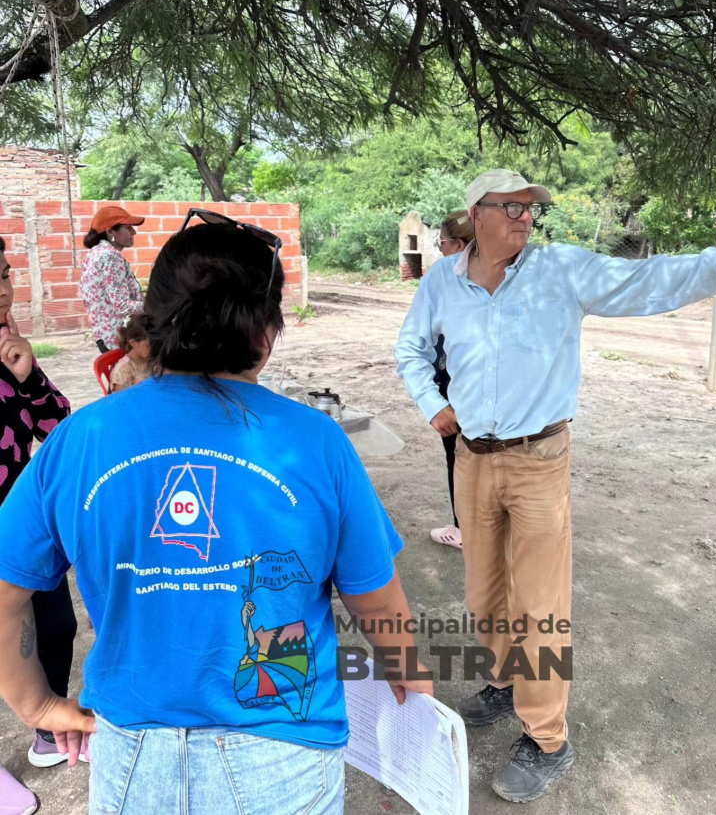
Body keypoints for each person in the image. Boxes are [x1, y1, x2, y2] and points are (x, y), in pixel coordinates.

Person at [0, 215, 431, 815]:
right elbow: (376, 600)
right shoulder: (315, 441)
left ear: (152, 323)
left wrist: (39, 706)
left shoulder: (82, 440)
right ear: (266, 332)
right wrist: (409, 673)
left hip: (131, 761)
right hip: (281, 755)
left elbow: (4, 591)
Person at [394, 168, 716, 804]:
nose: (527, 220)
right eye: (514, 209)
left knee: (540, 604)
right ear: (478, 213)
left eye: (533, 211)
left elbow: (651, 280)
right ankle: (504, 682)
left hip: (538, 460)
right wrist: (431, 403)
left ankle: (548, 739)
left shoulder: (562, 270)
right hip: (472, 458)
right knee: (484, 591)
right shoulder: (444, 281)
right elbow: (411, 349)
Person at [0, 234, 76, 815]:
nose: (5, 291)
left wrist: (28, 377)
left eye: (5, 275)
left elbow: (57, 429)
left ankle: (48, 727)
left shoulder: (10, 354)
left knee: (52, 627)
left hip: (24, 533)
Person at [430, 210, 474, 550]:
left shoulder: (447, 280)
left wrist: (435, 402)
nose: (439, 250)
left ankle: (463, 530)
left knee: (458, 457)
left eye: (441, 243)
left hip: (456, 391)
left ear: (458, 245)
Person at [80, 206, 145, 353]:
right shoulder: (111, 256)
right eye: (128, 228)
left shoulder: (94, 254)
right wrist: (153, 306)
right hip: (118, 339)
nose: (133, 232)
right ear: (110, 232)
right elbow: (122, 305)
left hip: (105, 336)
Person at [110, 314, 151, 392]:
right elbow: (122, 401)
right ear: (133, 342)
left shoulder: (154, 360)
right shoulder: (123, 372)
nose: (155, 348)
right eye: (150, 344)